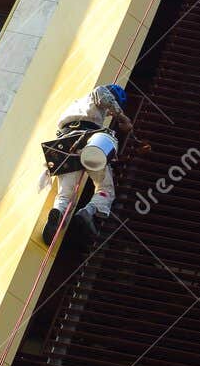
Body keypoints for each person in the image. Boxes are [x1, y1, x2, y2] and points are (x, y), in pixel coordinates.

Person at [40, 83, 132, 245]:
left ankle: (58, 212)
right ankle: (89, 211)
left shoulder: (76, 105)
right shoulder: (98, 93)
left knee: (65, 194)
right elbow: (104, 96)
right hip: (88, 142)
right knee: (106, 189)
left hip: (67, 145)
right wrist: (122, 118)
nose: (110, 112)